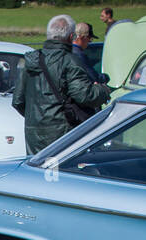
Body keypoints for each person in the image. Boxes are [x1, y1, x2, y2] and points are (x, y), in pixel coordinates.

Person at [13, 14, 110, 154]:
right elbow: (84, 95)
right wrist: (103, 90)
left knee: (37, 172)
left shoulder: (30, 61)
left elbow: (18, 101)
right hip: (63, 133)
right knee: (62, 173)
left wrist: (37, 119)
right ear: (71, 37)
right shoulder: (70, 61)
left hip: (33, 134)